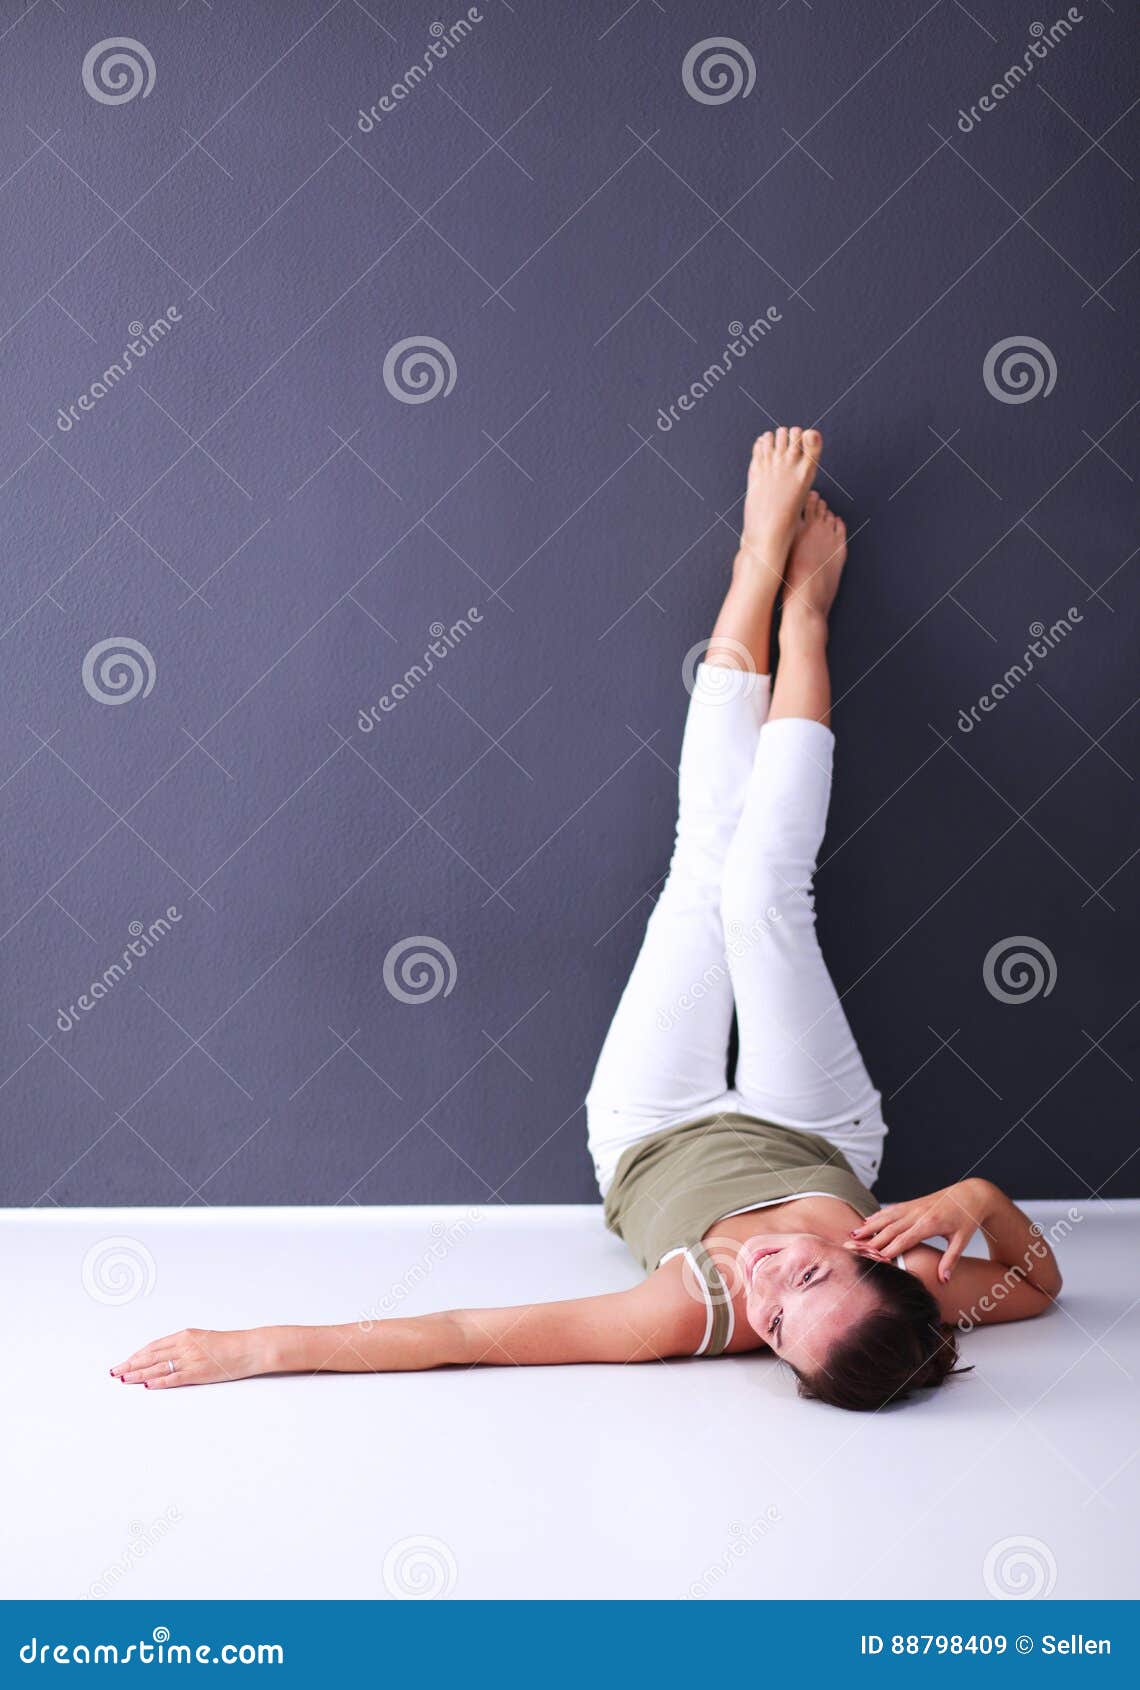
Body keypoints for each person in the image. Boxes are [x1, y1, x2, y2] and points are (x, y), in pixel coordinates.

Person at [111, 429, 1061, 1410]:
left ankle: (757, 570)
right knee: (763, 896)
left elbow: (472, 1334)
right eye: (811, 1277)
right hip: (813, 1133)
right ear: (888, 1275)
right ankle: (807, 622)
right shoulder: (916, 1276)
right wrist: (976, 1200)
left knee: (707, 870)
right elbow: (1037, 1282)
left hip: (654, 1131)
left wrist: (253, 1350)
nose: (770, 1278)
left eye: (777, 1324)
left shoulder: (693, 1311)